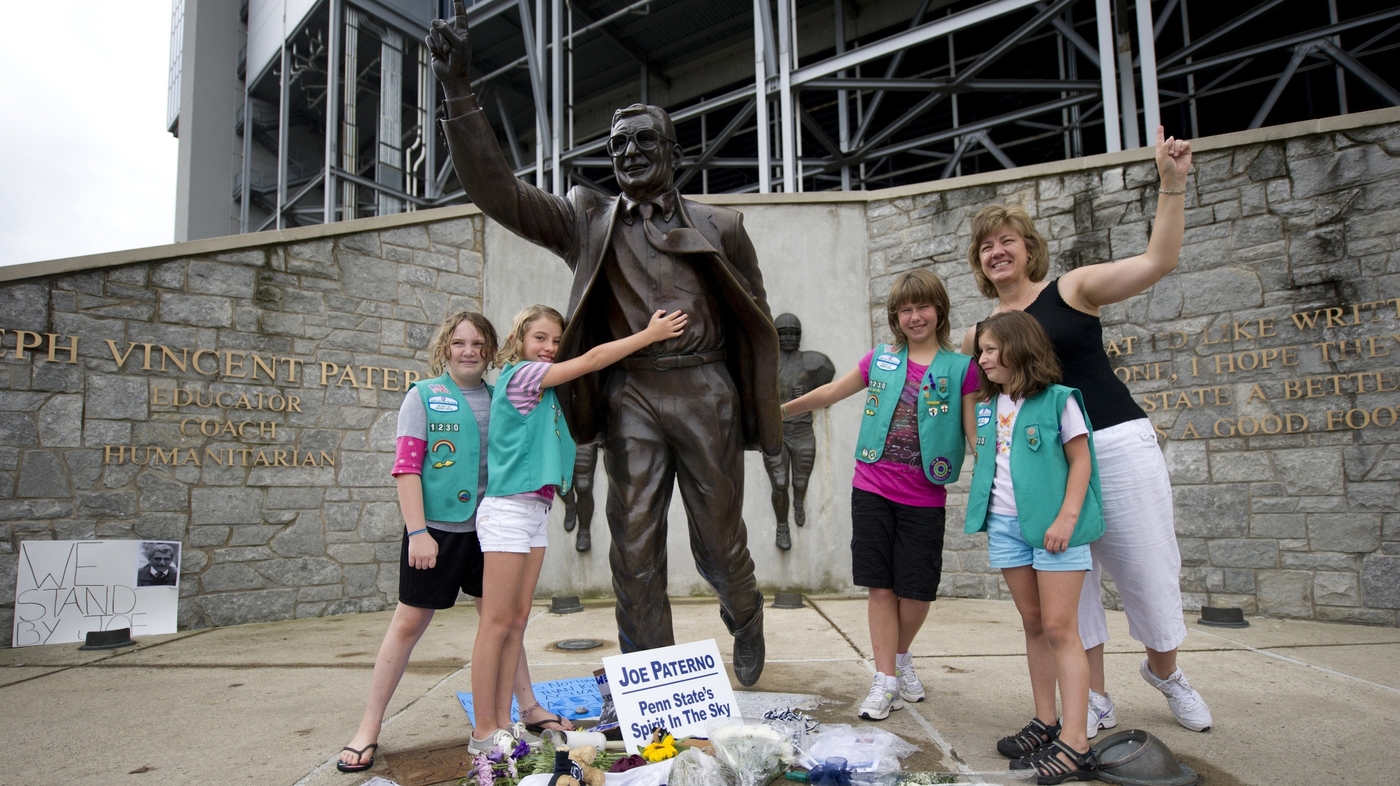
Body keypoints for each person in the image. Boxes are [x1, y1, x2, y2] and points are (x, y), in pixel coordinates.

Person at [427, 2, 780, 687]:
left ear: (674, 153)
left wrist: (760, 405)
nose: (629, 155)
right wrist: (458, 90)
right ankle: (653, 679)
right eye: (618, 146)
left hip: (706, 389)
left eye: (645, 142)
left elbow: (753, 318)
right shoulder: (586, 221)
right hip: (632, 395)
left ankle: (747, 611)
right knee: (634, 544)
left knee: (718, 542)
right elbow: (497, 192)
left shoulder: (722, 225)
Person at [960, 127, 1211, 736]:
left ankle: (1166, 671)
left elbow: (1160, 261)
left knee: (1148, 568)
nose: (997, 252)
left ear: (1028, 250)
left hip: (1114, 441)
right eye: (986, 246)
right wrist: (979, 449)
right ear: (979, 262)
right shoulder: (980, 333)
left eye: (1007, 241)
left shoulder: (1071, 289)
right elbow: (970, 395)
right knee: (1069, 587)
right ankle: (1092, 698)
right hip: (1041, 463)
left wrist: (1171, 185)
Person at [336, 310, 574, 774]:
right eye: (460, 343)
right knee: (408, 623)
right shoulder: (423, 396)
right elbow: (406, 468)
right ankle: (368, 726)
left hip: (491, 529)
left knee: (503, 623)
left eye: (479, 345)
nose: (470, 352)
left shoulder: (502, 392)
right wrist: (418, 532)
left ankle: (527, 707)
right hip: (438, 531)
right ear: (445, 347)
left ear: (491, 351)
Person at [468, 304, 687, 755]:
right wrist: (650, 334)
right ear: (521, 341)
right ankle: (484, 731)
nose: (548, 348)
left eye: (555, 341)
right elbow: (590, 360)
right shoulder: (524, 375)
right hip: (508, 511)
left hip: (533, 512)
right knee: (495, 623)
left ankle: (505, 719)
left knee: (517, 621)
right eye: (540, 338)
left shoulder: (548, 389)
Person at [782, 270, 978, 720]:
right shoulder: (881, 360)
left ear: (939, 311)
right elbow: (831, 391)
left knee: (918, 593)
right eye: (905, 309)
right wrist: (780, 411)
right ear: (895, 316)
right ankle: (885, 678)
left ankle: (900, 656)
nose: (914, 316)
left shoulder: (961, 369)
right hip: (872, 489)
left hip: (924, 497)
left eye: (922, 307)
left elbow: (972, 432)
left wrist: (996, 467)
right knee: (880, 587)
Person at [965, 311, 1103, 784]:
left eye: (988, 349)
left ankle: (1077, 743)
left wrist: (1066, 518)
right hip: (1007, 527)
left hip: (1054, 531)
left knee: (1062, 629)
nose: (980, 359)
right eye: (979, 350)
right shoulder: (989, 406)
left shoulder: (1059, 401)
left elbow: (1081, 462)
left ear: (1018, 348)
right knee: (1034, 624)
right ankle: (1046, 723)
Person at [762, 313, 835, 549]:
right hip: (777, 431)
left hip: (803, 429)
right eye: (784, 334)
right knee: (780, 482)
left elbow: (827, 395)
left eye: (794, 333)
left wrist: (807, 397)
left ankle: (799, 503)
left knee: (801, 481)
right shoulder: (767, 362)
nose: (789, 338)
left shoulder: (814, 362)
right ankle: (782, 526)